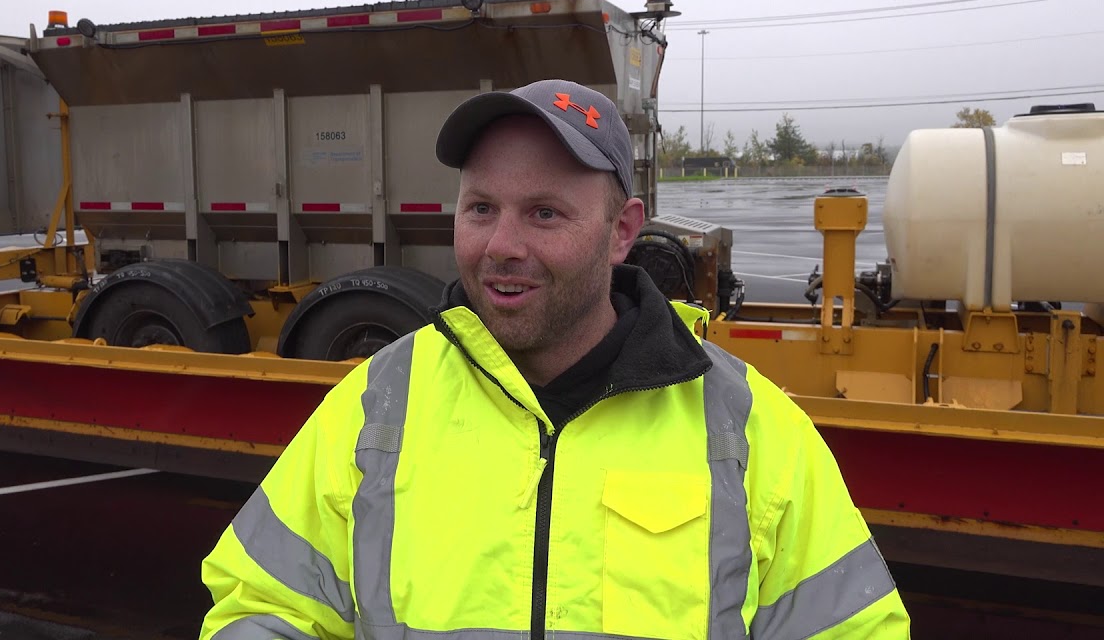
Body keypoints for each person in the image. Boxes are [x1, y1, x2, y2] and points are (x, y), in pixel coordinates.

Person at [200, 79, 911, 639]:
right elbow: (262, 603)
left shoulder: (748, 431)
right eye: (481, 208)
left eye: (544, 213)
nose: (500, 245)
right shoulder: (377, 407)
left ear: (621, 232)